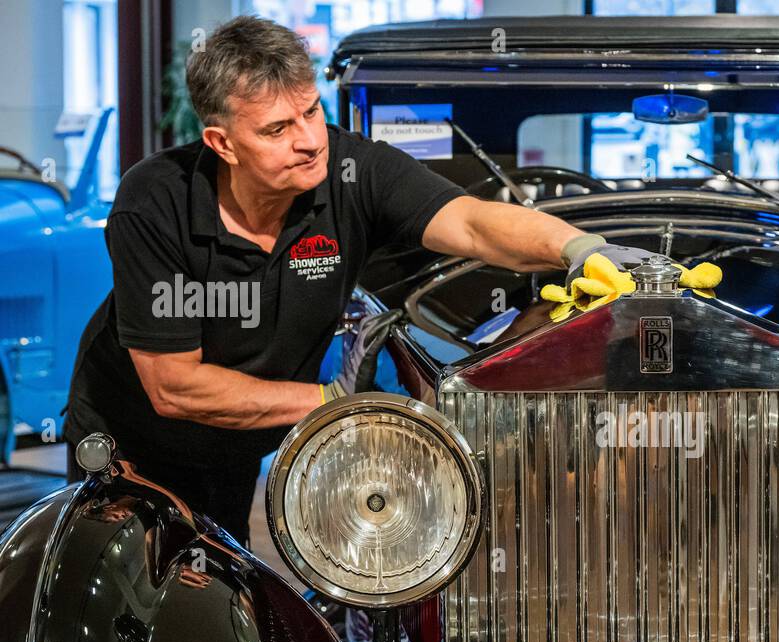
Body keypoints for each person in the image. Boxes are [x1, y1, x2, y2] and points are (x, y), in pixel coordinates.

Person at [64, 15, 643, 545]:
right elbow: (175, 386)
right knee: (123, 610)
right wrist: (335, 400)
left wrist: (579, 248)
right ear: (222, 143)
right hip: (127, 449)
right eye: (277, 128)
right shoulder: (154, 203)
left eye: (313, 111)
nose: (310, 139)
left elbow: (471, 222)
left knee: (216, 590)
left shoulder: (348, 169)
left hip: (232, 448)